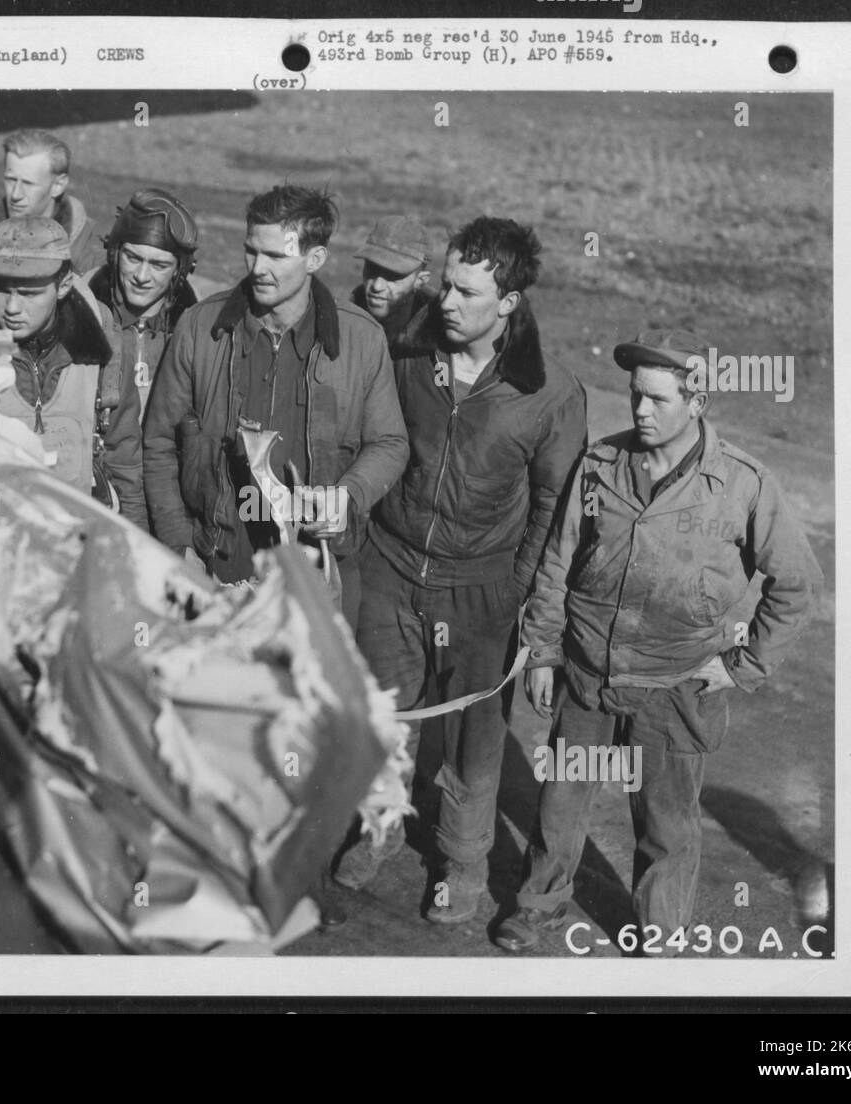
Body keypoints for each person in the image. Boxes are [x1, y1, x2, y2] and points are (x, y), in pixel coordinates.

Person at [496, 329, 824, 953]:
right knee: (560, 806)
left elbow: (798, 584)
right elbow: (558, 563)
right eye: (634, 396)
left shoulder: (743, 485)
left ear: (697, 401)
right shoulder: (599, 466)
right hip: (587, 674)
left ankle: (661, 938)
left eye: (658, 400)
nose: (640, 411)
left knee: (668, 827)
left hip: (675, 689)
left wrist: (745, 663)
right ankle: (536, 907)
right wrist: (541, 650)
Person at [341, 217, 587, 927]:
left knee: (476, 744)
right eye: (445, 283)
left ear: (508, 302)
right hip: (390, 567)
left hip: (482, 589)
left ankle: (463, 865)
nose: (446, 300)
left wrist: (514, 591)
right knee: (389, 718)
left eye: (467, 291)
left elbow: (555, 507)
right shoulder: (407, 352)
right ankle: (379, 831)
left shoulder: (549, 394)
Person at [141, 184, 408, 630]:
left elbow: (389, 442)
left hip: (318, 574)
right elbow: (159, 442)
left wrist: (347, 496)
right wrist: (178, 546)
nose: (258, 269)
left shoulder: (362, 340)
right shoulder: (200, 328)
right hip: (215, 567)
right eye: (251, 251)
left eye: (276, 257)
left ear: (315, 259)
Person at [0, 216, 145, 527]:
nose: (12, 308)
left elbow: (125, 464)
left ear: (64, 284)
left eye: (28, 292)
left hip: (78, 540)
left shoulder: (105, 345)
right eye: (0, 289)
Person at [86, 188, 200, 428]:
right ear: (115, 254)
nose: (141, 276)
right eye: (133, 258)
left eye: (158, 265)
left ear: (178, 272)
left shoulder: (198, 329)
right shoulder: (81, 309)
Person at [0, 129, 100, 276]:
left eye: (28, 184)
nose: (15, 194)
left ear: (58, 186)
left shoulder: (86, 255)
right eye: (11, 180)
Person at [349, 215, 437, 351]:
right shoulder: (342, 326)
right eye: (372, 269)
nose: (377, 286)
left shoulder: (442, 341)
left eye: (393, 275)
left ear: (420, 281)